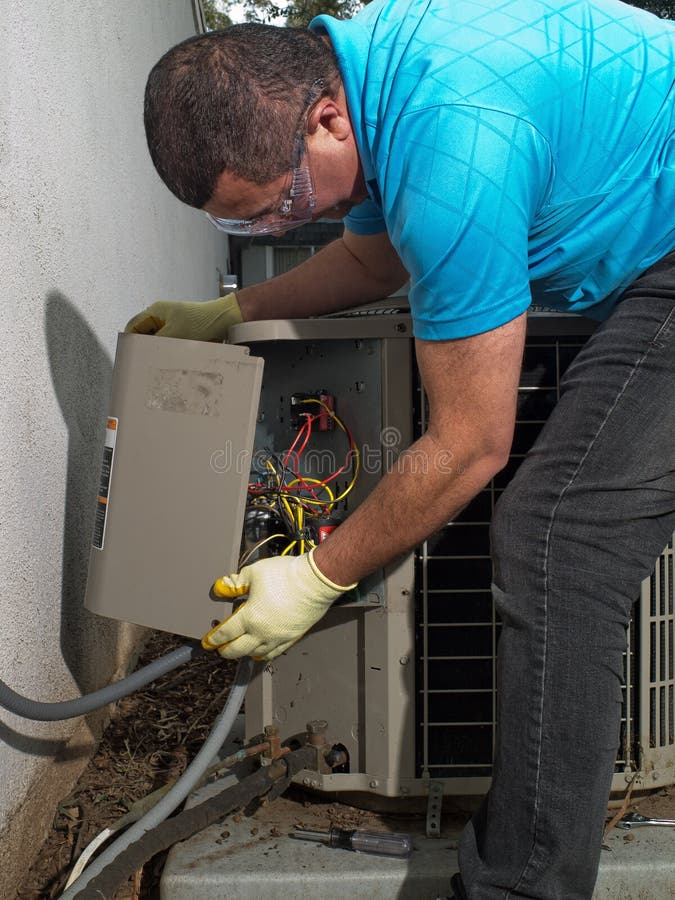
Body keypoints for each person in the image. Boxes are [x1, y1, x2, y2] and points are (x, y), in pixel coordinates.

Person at [126, 1, 675, 897]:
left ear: (326, 119)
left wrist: (316, 576)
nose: (281, 230)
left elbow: (468, 447)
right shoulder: (375, 64)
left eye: (284, 206)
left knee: (558, 537)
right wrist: (234, 310)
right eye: (251, 231)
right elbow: (376, 259)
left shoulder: (453, 143)